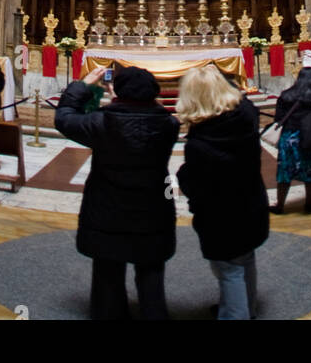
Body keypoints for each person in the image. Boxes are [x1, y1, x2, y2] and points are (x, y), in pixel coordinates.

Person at [55, 64, 179, 320]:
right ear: (154, 93)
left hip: (106, 212)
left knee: (107, 279)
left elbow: (64, 117)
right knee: (152, 280)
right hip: (153, 212)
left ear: (116, 91)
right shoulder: (169, 125)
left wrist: (84, 85)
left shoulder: (102, 123)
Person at [175, 64, 269, 320]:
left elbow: (195, 185)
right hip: (251, 202)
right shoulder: (246, 115)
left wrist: (183, 175)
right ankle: (245, 309)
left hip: (222, 216)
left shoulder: (200, 142)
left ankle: (235, 314)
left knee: (229, 270)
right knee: (245, 260)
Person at [270, 66, 311, 214]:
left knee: (284, 172)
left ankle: (280, 205)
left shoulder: (286, 94)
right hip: (309, 135)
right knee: (310, 171)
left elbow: (278, 118)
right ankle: (309, 204)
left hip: (288, 137)